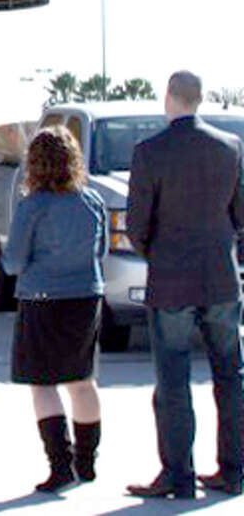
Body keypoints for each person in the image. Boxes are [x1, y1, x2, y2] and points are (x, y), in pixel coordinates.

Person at [125, 70, 244, 499]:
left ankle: (178, 476)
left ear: (170, 99)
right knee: (231, 376)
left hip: (171, 279)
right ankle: (233, 471)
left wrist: (155, 253)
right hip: (221, 278)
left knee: (173, 379)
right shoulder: (230, 147)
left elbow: (136, 225)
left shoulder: (150, 151)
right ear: (199, 99)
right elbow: (240, 214)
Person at [2, 125, 108, 493]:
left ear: (35, 164)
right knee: (82, 382)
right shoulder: (92, 201)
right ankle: (87, 462)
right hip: (86, 296)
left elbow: (13, 262)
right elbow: (102, 253)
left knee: (43, 383)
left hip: (42, 299)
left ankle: (59, 465)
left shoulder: (32, 206)